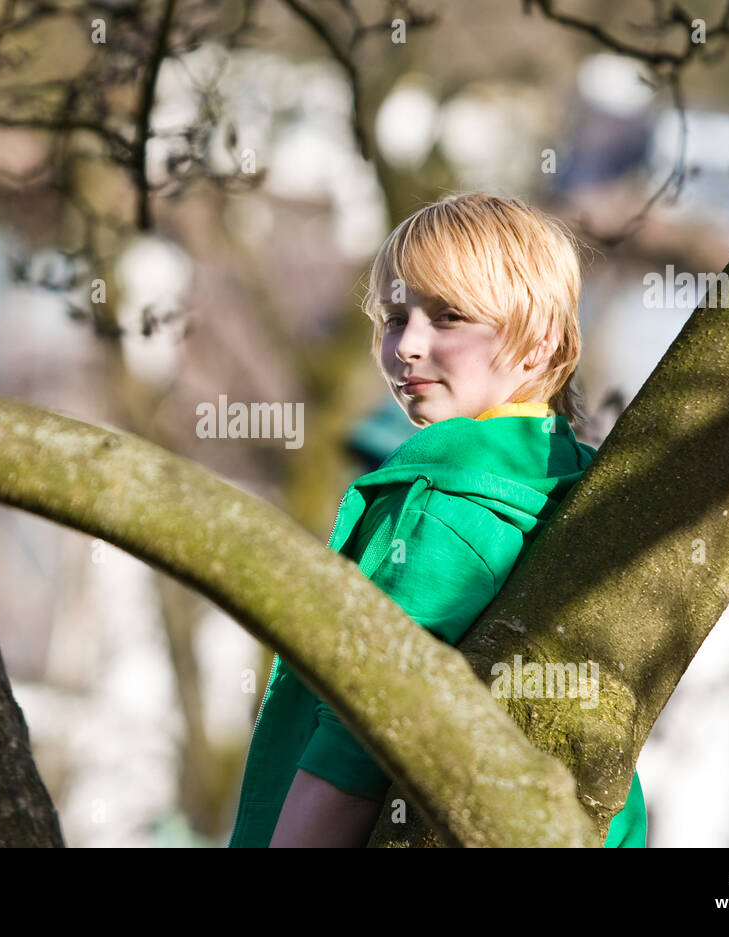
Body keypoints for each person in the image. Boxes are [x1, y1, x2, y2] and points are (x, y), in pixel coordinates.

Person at [227, 191, 647, 848]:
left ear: (538, 345)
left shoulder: (446, 496)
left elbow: (363, 724)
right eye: (396, 317)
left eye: (449, 316)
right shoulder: (570, 489)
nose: (408, 346)